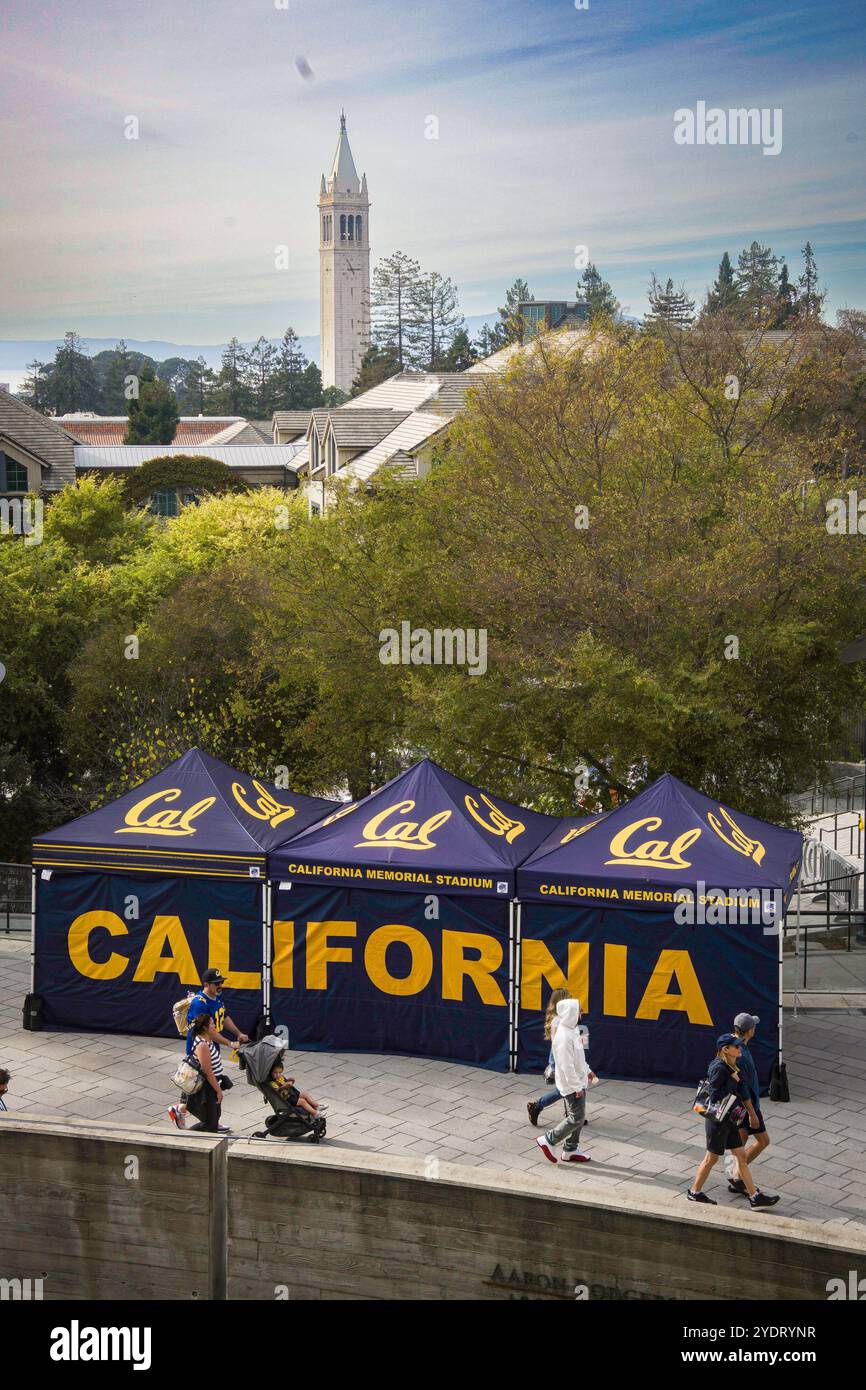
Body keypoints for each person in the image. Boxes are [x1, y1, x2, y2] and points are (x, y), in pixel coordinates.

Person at [687, 1034, 779, 1209]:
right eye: (736, 1046)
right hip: (718, 1123)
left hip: (730, 1121)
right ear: (726, 1049)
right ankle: (694, 1192)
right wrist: (731, 1082)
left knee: (741, 1158)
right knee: (710, 1159)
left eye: (739, 1046)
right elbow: (714, 1095)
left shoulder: (734, 1065)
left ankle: (754, 1197)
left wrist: (752, 1114)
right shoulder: (719, 1068)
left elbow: (743, 1090)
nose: (739, 1048)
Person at [169, 968, 247, 1129]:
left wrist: (238, 1033)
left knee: (204, 1083)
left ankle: (189, 1112)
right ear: (206, 984)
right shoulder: (199, 1004)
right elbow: (209, 1031)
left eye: (221, 982)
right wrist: (230, 1043)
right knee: (201, 1082)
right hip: (199, 1049)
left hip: (211, 1046)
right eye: (217, 983)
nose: (220, 986)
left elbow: (223, 1017)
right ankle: (198, 1115)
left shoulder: (216, 998)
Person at [534, 998, 592, 1164]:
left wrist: (587, 1070)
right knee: (576, 1118)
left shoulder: (572, 1030)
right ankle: (548, 1140)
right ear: (572, 1013)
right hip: (572, 1085)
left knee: (579, 1117)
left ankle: (571, 1149)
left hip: (578, 1082)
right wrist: (576, 1087)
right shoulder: (564, 1036)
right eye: (580, 1010)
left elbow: (579, 1057)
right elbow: (566, 1066)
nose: (582, 1013)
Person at [725, 1013, 770, 1194]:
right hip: (747, 1105)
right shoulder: (740, 1054)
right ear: (750, 1031)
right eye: (754, 1026)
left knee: (740, 1141)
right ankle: (737, 1176)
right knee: (763, 1141)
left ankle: (734, 1173)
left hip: (741, 1105)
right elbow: (743, 1087)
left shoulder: (734, 1045)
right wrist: (752, 1113)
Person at [527, 988, 570, 1126]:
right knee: (563, 1089)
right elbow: (560, 1044)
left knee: (568, 1087)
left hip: (561, 1056)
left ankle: (572, 1113)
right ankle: (537, 1106)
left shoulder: (562, 1018)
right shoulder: (559, 1021)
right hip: (559, 1057)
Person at [182, 1014, 227, 1134]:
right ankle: (184, 1136)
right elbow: (207, 1072)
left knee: (214, 1117)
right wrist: (218, 1090)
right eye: (212, 1024)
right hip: (207, 1086)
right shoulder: (203, 1045)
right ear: (205, 1028)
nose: (214, 1026)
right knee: (210, 1124)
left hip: (213, 1083)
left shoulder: (208, 1039)